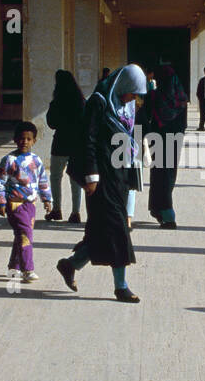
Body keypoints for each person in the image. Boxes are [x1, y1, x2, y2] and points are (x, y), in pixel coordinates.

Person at [57, 64, 148, 303]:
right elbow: (88, 139)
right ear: (124, 85)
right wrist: (91, 176)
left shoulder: (125, 105)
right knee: (118, 229)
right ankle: (121, 286)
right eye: (133, 92)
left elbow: (130, 134)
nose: (134, 98)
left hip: (119, 174)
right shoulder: (99, 102)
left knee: (101, 229)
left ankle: (71, 264)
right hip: (99, 177)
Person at [0, 121, 52, 282]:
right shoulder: (9, 160)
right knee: (26, 235)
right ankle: (28, 269)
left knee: (21, 236)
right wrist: (1, 202)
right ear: (14, 139)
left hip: (30, 205)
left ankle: (14, 267)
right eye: (21, 138)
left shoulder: (36, 160)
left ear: (34, 141)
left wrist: (46, 199)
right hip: (15, 204)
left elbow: (43, 181)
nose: (24, 142)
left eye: (28, 139)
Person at [144, 64, 188, 229]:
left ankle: (167, 215)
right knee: (168, 176)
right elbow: (183, 125)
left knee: (158, 175)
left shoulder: (154, 96)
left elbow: (145, 117)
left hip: (158, 140)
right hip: (175, 140)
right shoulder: (181, 99)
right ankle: (159, 210)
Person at [44, 70, 86, 224]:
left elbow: (51, 123)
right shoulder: (81, 102)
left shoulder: (56, 103)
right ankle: (76, 212)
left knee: (55, 177)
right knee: (75, 179)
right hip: (76, 145)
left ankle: (57, 209)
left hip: (60, 143)